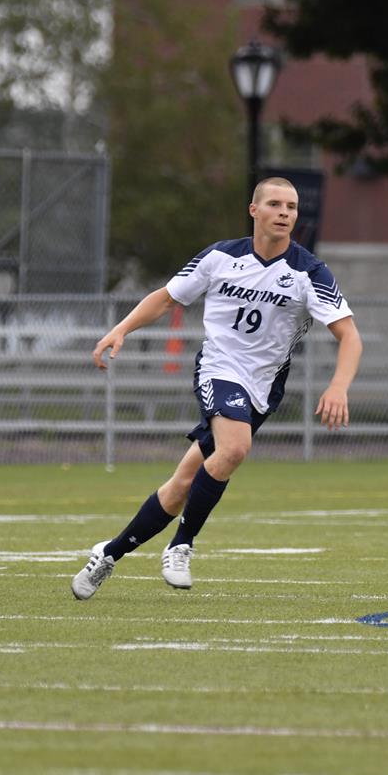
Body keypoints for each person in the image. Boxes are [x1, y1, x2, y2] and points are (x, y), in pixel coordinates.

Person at [71, 177, 362, 599]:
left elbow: (349, 334)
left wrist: (339, 386)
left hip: (262, 389)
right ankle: (181, 546)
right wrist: (122, 329)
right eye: (276, 204)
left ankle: (108, 555)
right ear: (254, 210)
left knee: (182, 485)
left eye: (293, 207)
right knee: (234, 449)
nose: (285, 213)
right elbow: (167, 297)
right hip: (219, 369)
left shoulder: (308, 271)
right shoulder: (221, 256)